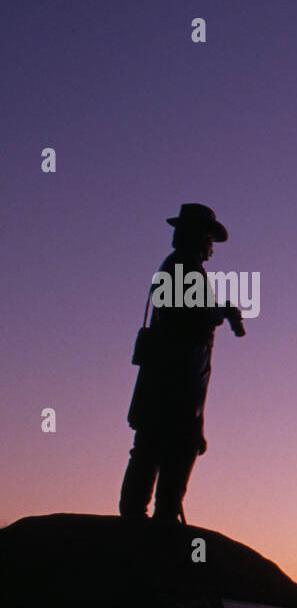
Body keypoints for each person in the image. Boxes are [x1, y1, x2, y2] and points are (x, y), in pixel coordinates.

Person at [119, 203, 243, 523]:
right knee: (171, 446)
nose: (211, 249)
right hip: (173, 382)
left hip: (177, 381)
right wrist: (222, 312)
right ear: (195, 237)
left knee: (158, 445)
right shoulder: (182, 268)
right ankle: (154, 517)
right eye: (208, 240)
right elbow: (191, 316)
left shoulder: (180, 268)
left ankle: (151, 515)